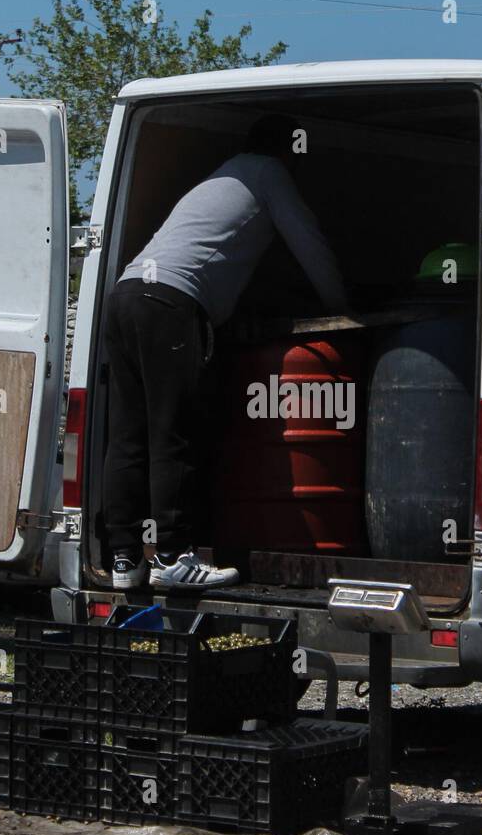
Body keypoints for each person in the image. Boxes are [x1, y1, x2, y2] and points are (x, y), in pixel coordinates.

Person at [103, 115, 348, 590]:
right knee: (173, 435)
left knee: (129, 438)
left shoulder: (220, 180)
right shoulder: (266, 172)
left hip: (127, 296)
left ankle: (124, 561)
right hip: (169, 304)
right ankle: (174, 556)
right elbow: (308, 241)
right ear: (284, 150)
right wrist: (343, 307)